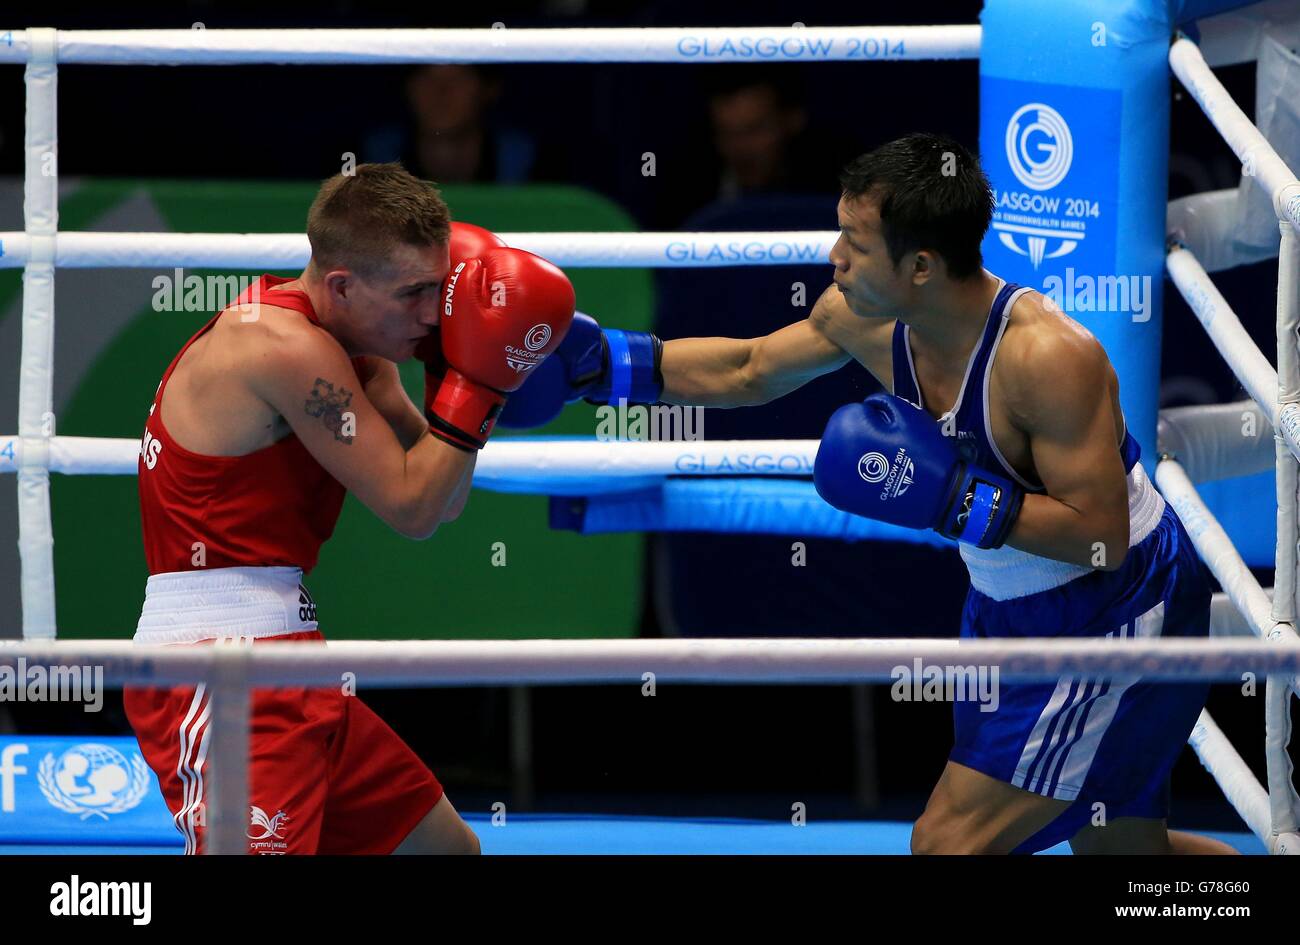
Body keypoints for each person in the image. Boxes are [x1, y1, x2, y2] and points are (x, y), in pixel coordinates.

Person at [500, 133, 1236, 854]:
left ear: (920, 264)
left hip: (1118, 609)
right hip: (1010, 605)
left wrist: (956, 500)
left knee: (947, 844)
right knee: (1124, 854)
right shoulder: (866, 316)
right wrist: (606, 368)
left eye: (854, 240)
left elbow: (1098, 534)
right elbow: (750, 369)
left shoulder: (1046, 357)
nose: (833, 256)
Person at [125, 162, 574, 854]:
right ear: (341, 284)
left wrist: (451, 371)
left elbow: (443, 496)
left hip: (293, 655)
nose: (432, 312)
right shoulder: (282, 347)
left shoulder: (360, 351)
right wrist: (480, 384)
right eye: (415, 294)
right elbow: (411, 506)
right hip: (220, 664)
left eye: (440, 289)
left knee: (447, 850)